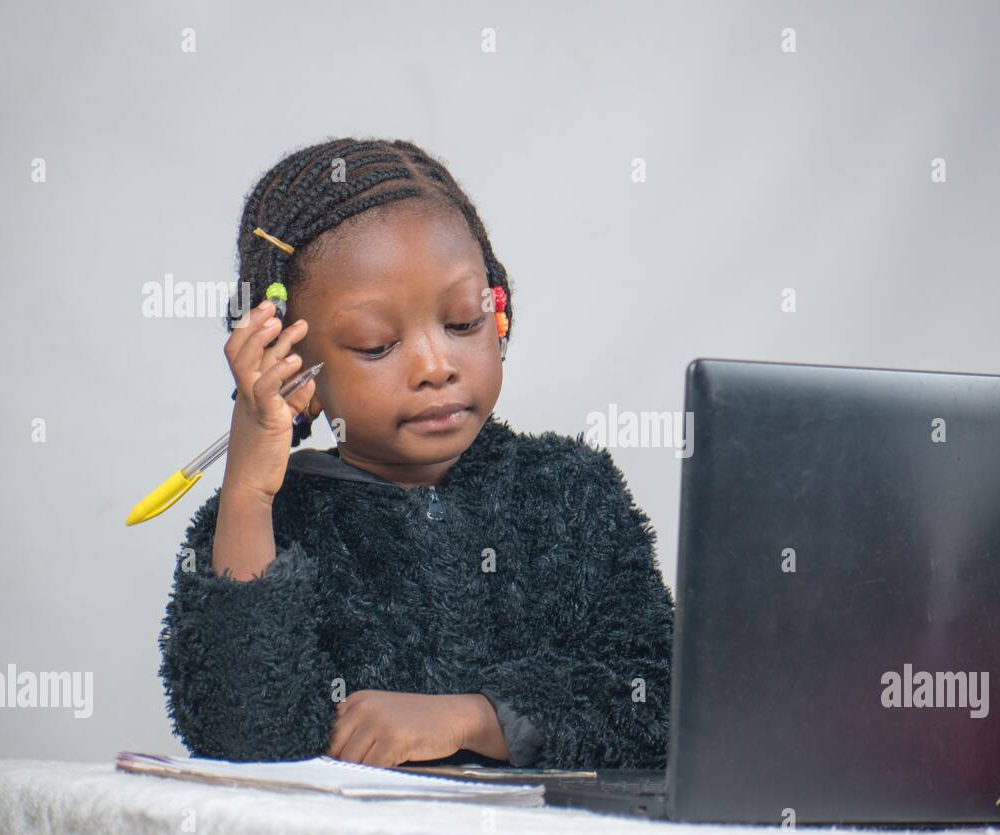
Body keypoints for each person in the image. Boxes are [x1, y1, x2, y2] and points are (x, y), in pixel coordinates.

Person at [157, 136, 672, 770]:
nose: (436, 365)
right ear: (292, 366)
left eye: (462, 323)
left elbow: (659, 697)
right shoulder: (270, 526)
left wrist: (475, 717)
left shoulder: (570, 492)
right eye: (376, 344)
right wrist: (247, 494)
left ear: (498, 312)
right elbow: (242, 737)